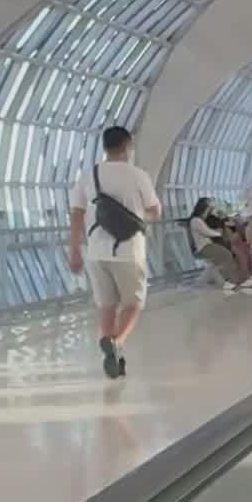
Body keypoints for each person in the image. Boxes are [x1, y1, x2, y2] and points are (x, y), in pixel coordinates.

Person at [68, 121, 162, 378]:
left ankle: (112, 356)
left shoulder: (89, 175)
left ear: (105, 147)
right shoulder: (137, 175)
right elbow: (155, 211)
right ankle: (117, 343)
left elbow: (76, 214)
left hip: (96, 252)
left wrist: (74, 249)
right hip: (129, 250)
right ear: (127, 146)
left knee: (107, 305)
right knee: (133, 304)